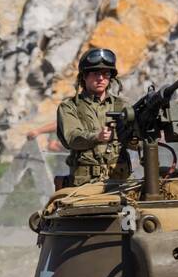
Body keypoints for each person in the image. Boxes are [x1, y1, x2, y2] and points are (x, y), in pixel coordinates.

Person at [56, 48, 135, 186]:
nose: (100, 78)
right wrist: (97, 136)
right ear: (84, 77)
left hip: (120, 181)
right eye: (95, 73)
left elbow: (137, 143)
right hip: (85, 185)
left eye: (105, 74)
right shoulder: (70, 106)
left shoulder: (122, 105)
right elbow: (72, 138)